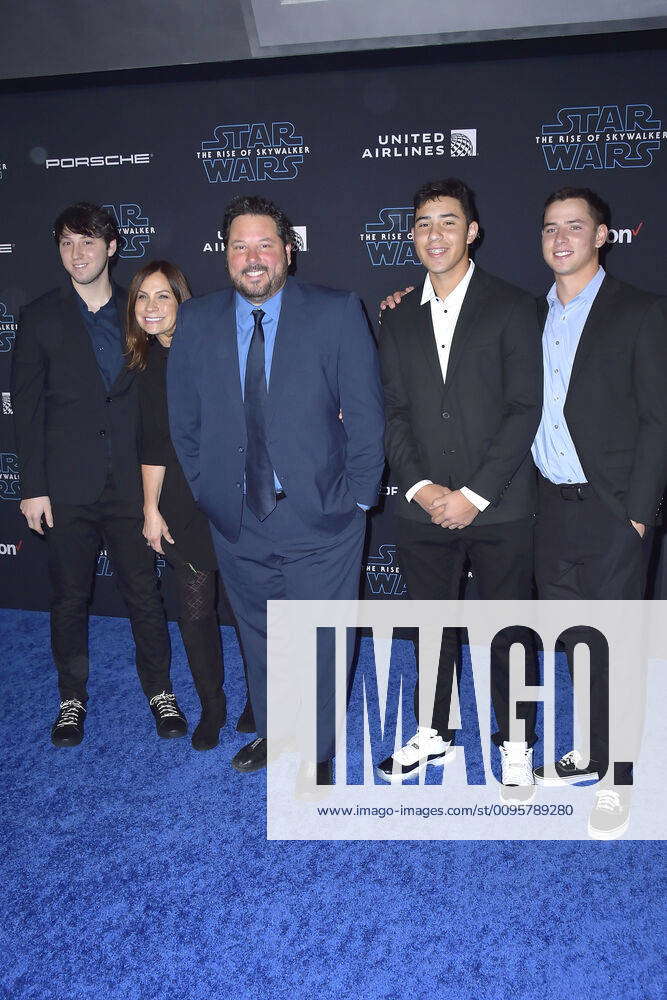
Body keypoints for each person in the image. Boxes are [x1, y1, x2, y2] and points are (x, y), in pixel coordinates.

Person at [167, 194, 385, 778]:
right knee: (259, 634)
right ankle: (271, 730)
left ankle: (315, 751)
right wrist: (209, 490)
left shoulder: (337, 311)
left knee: (322, 641)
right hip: (238, 517)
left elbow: (366, 416)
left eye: (265, 244)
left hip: (324, 514)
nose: (253, 256)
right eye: (240, 246)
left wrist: (360, 496)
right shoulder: (197, 320)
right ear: (226, 256)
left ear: (288, 250)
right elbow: (184, 423)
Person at [377, 178, 542, 797]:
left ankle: (517, 738)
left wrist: (471, 495)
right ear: (412, 235)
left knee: (508, 629)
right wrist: (420, 488)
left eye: (448, 222)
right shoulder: (395, 317)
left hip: (499, 507)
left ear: (472, 231)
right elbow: (391, 411)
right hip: (422, 509)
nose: (434, 234)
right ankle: (433, 730)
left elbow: (525, 408)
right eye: (423, 223)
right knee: (429, 628)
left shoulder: (513, 305)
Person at [11, 203, 186, 747]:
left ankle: (159, 690)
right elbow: (29, 408)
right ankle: (70, 697)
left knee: (143, 593)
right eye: (66, 243)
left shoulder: (141, 314)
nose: (77, 254)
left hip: (132, 485)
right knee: (68, 597)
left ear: (112, 247)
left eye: (88, 242)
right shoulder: (40, 316)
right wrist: (33, 486)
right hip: (67, 487)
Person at [530, 186, 667, 838]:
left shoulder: (638, 312)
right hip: (548, 507)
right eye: (550, 228)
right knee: (576, 642)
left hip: (611, 509)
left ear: (602, 235)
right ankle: (589, 745)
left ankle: (618, 774)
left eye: (574, 226)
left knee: (616, 647)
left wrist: (638, 514)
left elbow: (656, 419)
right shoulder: (527, 316)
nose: (560, 239)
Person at [126, 259, 255, 750]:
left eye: (163, 296)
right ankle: (213, 706)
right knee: (197, 612)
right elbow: (153, 445)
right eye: (142, 297)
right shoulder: (143, 366)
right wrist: (150, 509)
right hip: (180, 502)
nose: (152, 307)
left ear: (184, 301)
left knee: (246, 607)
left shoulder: (217, 348)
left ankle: (257, 700)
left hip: (231, 493)